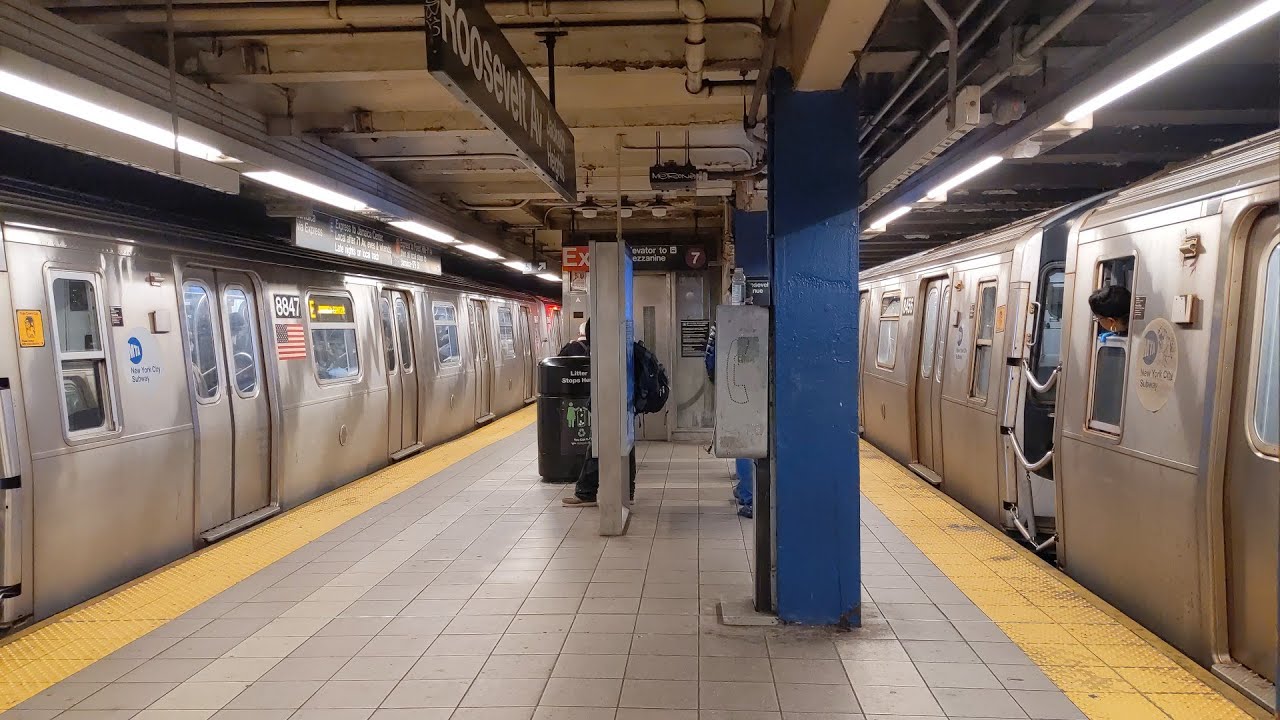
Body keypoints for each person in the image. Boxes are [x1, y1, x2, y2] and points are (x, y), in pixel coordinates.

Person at [559, 320, 637, 507]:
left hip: (611, 401)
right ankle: (627, 490)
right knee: (625, 442)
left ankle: (586, 492)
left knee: (598, 442)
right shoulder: (624, 347)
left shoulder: (607, 352)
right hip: (625, 401)